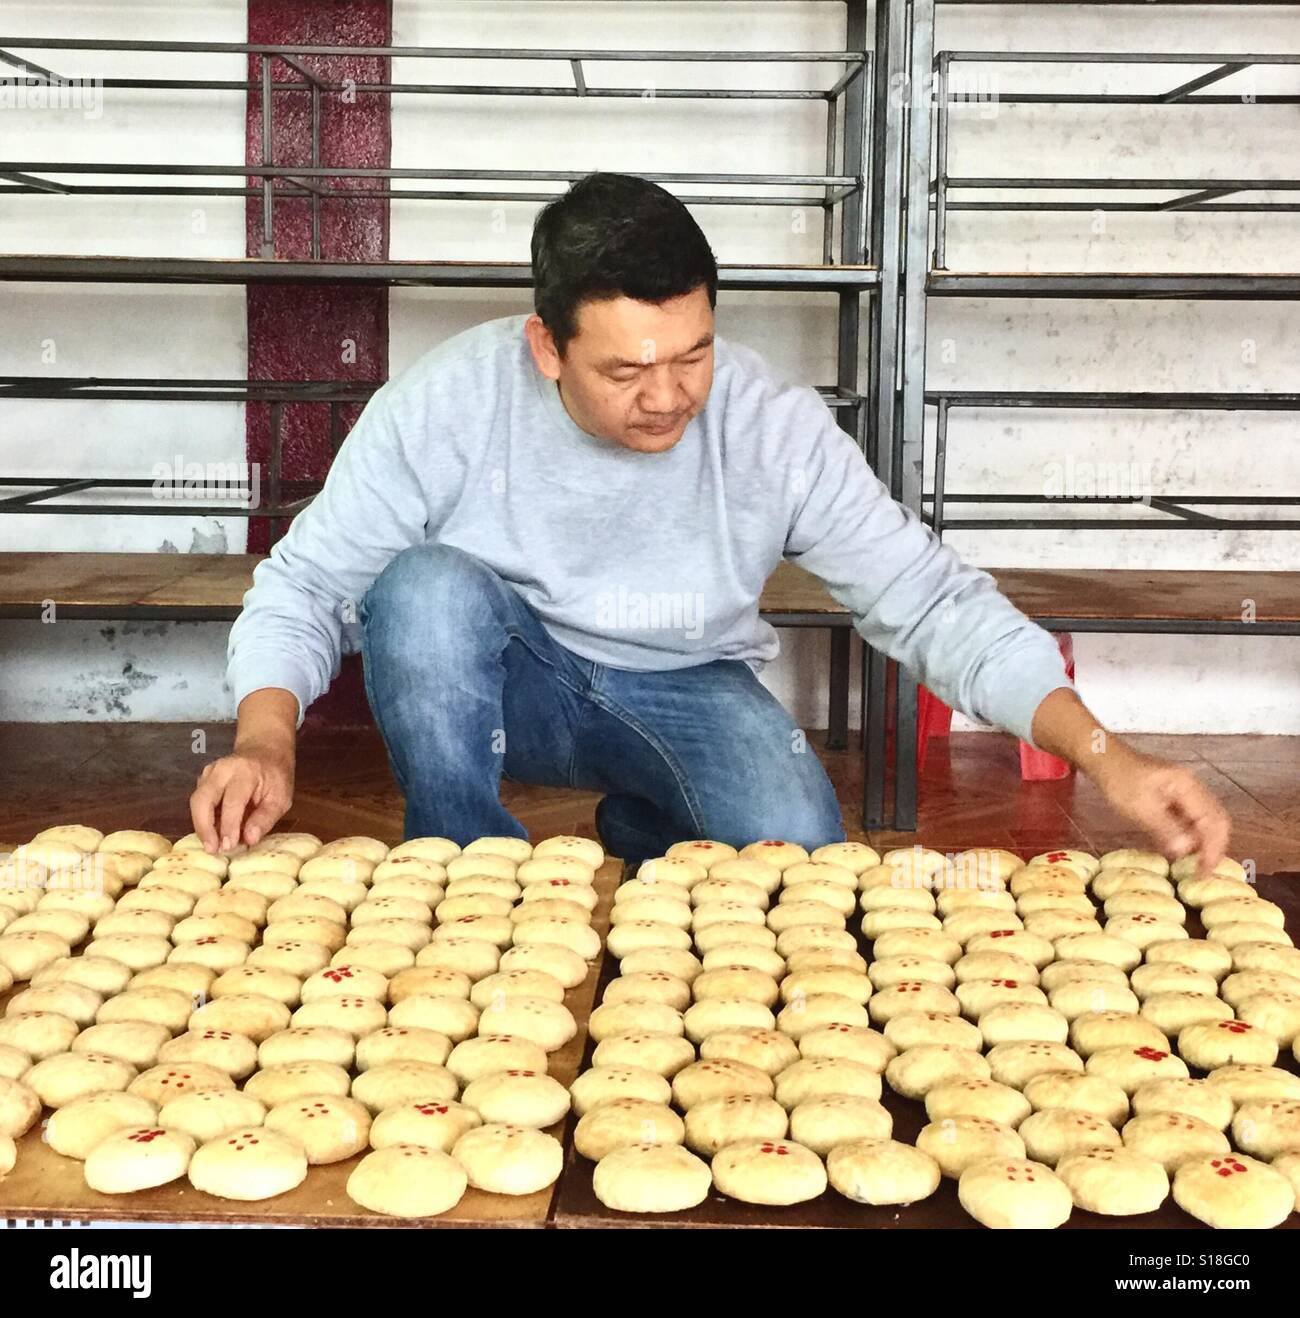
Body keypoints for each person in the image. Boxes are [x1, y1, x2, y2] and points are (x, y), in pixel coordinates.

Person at [191, 171, 1230, 869]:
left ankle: (648, 822)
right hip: (515, 678)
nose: (667, 395)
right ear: (546, 347)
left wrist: (1108, 756)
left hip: (687, 686)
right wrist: (266, 739)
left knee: (797, 860)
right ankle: (465, 873)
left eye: (691, 354)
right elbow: (306, 586)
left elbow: (929, 602)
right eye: (625, 368)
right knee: (419, 591)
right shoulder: (447, 399)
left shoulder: (770, 422)